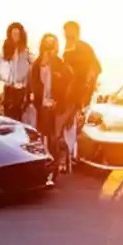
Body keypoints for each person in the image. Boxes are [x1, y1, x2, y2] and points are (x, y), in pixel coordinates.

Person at [28, 33, 72, 177]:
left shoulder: (59, 63)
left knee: (53, 136)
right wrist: (35, 99)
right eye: (47, 44)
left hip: (55, 105)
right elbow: (33, 83)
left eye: (52, 44)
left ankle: (55, 166)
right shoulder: (37, 63)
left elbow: (67, 81)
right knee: (42, 134)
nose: (49, 48)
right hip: (42, 104)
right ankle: (43, 163)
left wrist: (59, 99)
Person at [60, 20, 101, 167]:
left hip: (79, 92)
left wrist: (88, 85)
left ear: (77, 32)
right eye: (65, 31)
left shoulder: (84, 47)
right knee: (68, 124)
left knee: (72, 122)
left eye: (70, 30)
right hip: (66, 92)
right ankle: (70, 156)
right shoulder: (65, 48)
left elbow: (96, 68)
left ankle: (72, 156)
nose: (67, 34)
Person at [0, 22, 33, 121]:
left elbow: (32, 68)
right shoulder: (5, 51)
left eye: (17, 34)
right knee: (10, 118)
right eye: (13, 34)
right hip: (10, 90)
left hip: (22, 90)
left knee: (21, 117)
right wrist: (8, 79)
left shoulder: (26, 51)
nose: (15, 36)